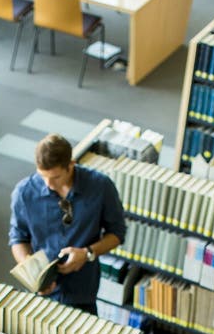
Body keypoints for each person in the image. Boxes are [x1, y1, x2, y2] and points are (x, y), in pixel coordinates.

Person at [9, 133, 126, 314]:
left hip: (83, 289)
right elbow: (18, 238)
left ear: (71, 165)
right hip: (40, 292)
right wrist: (31, 272)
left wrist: (88, 253)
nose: (48, 184)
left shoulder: (101, 187)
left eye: (55, 177)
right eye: (42, 176)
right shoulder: (24, 193)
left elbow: (117, 233)